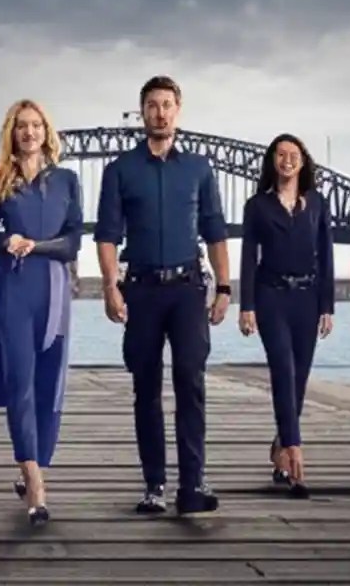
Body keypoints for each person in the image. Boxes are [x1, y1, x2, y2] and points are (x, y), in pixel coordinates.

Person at [94, 75, 231, 517]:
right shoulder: (119, 170)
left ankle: (193, 484)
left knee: (191, 382)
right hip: (143, 290)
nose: (160, 112)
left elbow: (215, 232)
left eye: (168, 104)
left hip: (189, 289)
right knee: (146, 387)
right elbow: (107, 236)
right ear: (142, 112)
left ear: (178, 110)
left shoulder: (199, 169)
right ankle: (154, 485)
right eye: (152, 105)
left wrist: (224, 288)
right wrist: (111, 286)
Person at [0, 99, 81, 527]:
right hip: (11, 287)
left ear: (46, 132)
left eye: (36, 125)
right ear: (11, 133)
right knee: (21, 381)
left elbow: (73, 242)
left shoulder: (67, 180)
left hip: (52, 288)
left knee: (50, 385)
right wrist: (6, 239)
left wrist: (37, 245)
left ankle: (36, 463)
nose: (29, 132)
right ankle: (34, 480)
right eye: (21, 126)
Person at [236, 133, 334, 498]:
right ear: (272, 161)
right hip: (271, 296)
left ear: (303, 161)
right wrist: (246, 305)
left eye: (293, 155)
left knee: (300, 378)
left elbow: (326, 257)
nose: (287, 160)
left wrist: (327, 306)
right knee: (283, 371)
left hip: (308, 299)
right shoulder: (257, 206)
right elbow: (248, 257)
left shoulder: (319, 204)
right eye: (281, 154)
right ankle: (295, 456)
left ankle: (280, 443)